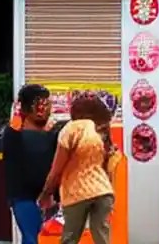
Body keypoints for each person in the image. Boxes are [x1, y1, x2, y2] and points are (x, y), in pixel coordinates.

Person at [39, 94, 118, 244]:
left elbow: (57, 169)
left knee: (70, 238)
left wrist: (46, 193)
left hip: (76, 192)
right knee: (102, 238)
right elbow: (107, 165)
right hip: (103, 191)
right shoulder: (102, 130)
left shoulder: (72, 128)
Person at [4, 85, 57, 244]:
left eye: (48, 105)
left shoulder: (53, 134)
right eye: (41, 105)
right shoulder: (13, 135)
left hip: (50, 197)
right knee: (31, 238)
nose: (46, 110)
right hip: (23, 197)